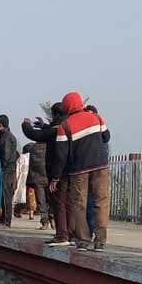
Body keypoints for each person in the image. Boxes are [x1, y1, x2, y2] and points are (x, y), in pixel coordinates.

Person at [50, 92, 111, 252]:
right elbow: (106, 137)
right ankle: (100, 241)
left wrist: (56, 177)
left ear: (67, 106)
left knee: (79, 204)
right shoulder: (96, 118)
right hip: (101, 166)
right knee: (101, 202)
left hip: (79, 169)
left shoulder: (65, 125)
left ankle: (83, 240)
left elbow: (60, 155)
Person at [22, 103, 70, 245]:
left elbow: (34, 134)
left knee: (59, 203)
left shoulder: (57, 130)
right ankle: (71, 234)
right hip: (69, 171)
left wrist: (26, 125)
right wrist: (44, 126)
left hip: (56, 173)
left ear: (56, 115)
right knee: (68, 203)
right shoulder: (68, 127)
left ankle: (62, 235)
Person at [0, 115, 19, 228]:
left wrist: (1, 166)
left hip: (7, 170)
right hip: (7, 169)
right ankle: (3, 219)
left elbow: (6, 155)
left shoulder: (6, 138)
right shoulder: (5, 136)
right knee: (4, 195)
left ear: (0, 125)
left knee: (6, 196)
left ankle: (6, 221)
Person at [23, 141, 49, 229]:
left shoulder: (32, 148)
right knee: (52, 201)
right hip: (49, 177)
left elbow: (25, 148)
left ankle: (45, 222)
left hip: (38, 180)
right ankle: (52, 219)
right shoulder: (51, 146)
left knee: (41, 201)